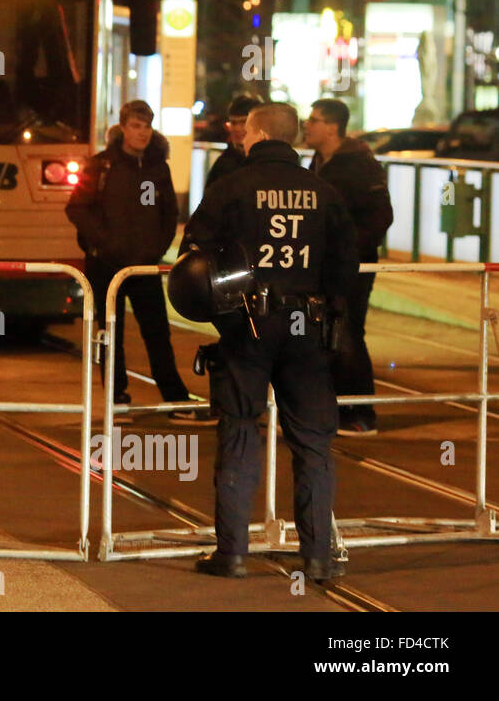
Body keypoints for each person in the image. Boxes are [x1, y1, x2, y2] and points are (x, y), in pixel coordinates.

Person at [181, 102, 358, 582]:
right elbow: (346, 265)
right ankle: (318, 557)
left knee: (240, 430)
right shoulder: (324, 192)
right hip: (308, 328)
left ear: (255, 135)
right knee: (313, 444)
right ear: (294, 138)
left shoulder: (231, 188)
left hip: (247, 327)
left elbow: (193, 257)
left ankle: (233, 554)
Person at [66, 99, 206, 423]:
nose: (143, 133)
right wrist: (105, 241)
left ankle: (175, 398)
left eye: (147, 126)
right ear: (123, 128)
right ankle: (117, 398)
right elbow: (76, 208)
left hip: (144, 265)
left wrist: (155, 248)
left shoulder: (158, 167)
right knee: (110, 332)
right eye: (136, 126)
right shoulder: (101, 165)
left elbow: (169, 212)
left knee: (157, 332)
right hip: (106, 265)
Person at [304, 98, 394, 436]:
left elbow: (381, 215)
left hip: (353, 265)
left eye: (313, 120)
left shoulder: (358, 164)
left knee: (349, 332)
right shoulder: (318, 161)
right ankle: (333, 404)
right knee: (327, 331)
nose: (307, 126)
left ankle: (360, 411)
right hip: (322, 263)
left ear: (332, 127)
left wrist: (347, 247)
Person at [205, 94, 262, 189]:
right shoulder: (223, 165)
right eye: (233, 123)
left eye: (244, 122)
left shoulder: (269, 161)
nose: (237, 128)